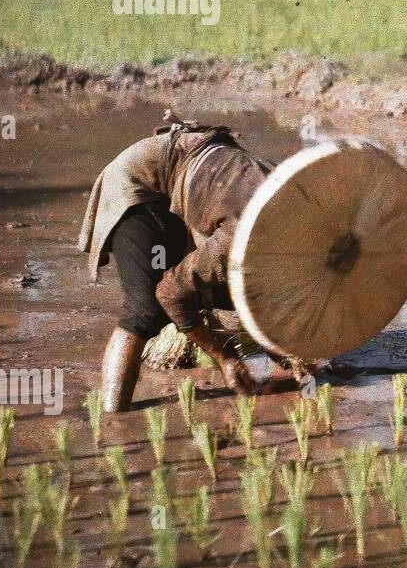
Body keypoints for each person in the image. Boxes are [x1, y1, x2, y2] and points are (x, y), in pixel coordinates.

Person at [79, 113, 272, 411]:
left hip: (194, 172)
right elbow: (171, 293)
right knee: (146, 310)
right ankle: (112, 419)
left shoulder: (289, 206)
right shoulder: (237, 238)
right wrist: (225, 358)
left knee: (222, 289)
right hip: (142, 180)